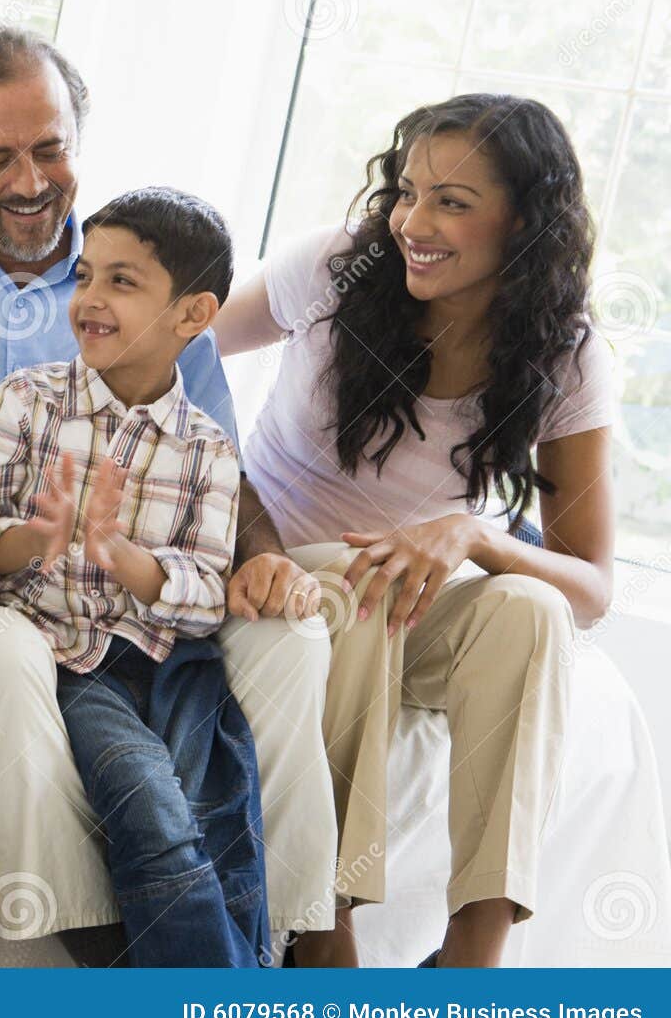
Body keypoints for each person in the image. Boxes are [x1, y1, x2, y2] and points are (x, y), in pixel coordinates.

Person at [0, 26, 335, 947]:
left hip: (124, 598)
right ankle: (100, 945)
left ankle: (275, 942)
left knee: (296, 638)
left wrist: (262, 562)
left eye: (50, 148)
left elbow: (217, 464)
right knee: (9, 655)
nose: (30, 181)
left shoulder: (141, 268)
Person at [215, 93, 614, 967]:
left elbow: (590, 588)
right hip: (278, 585)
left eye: (452, 202)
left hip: (406, 609)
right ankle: (327, 924)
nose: (412, 221)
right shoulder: (333, 271)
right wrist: (232, 510)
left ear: (525, 225)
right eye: (407, 190)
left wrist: (473, 535)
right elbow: (173, 354)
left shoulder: (563, 351)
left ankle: (474, 946)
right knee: (373, 585)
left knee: (532, 611)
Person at [0, 188, 268, 966]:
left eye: (122, 282)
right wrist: (35, 538)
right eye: (85, 276)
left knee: (222, 813)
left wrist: (127, 558)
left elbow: (206, 595)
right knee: (148, 800)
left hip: (173, 666)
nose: (89, 298)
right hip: (73, 664)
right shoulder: (28, 403)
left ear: (193, 315)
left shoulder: (209, 450)